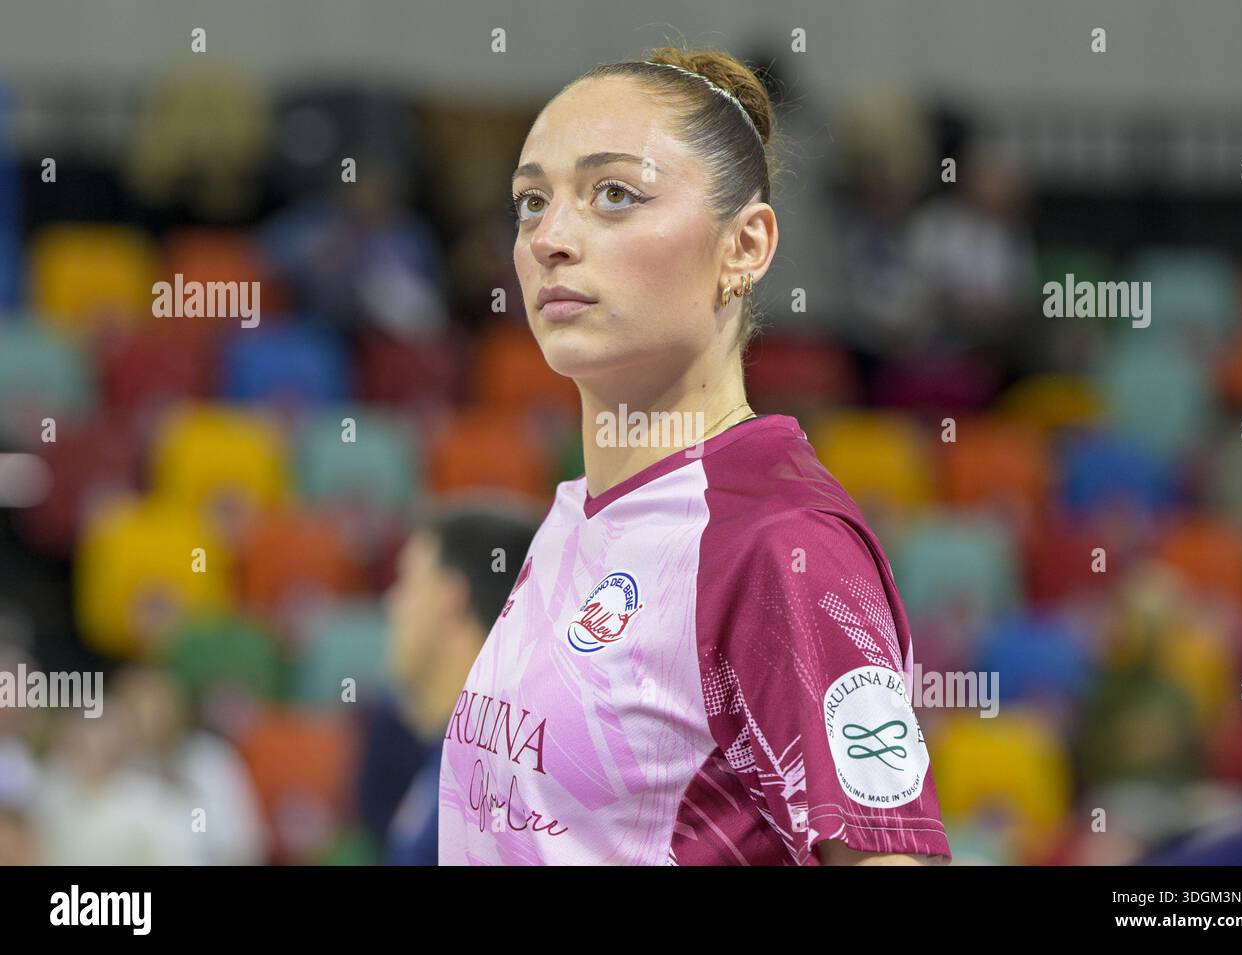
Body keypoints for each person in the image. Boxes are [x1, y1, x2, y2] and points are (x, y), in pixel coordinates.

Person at [437, 46, 952, 866]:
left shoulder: (780, 545)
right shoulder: (580, 511)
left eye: (614, 194)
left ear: (744, 246)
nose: (551, 239)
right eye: (531, 202)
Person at [376, 499, 541, 865]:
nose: (392, 604)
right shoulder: (457, 751)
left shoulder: (499, 777)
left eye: (407, 584)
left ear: (451, 600)